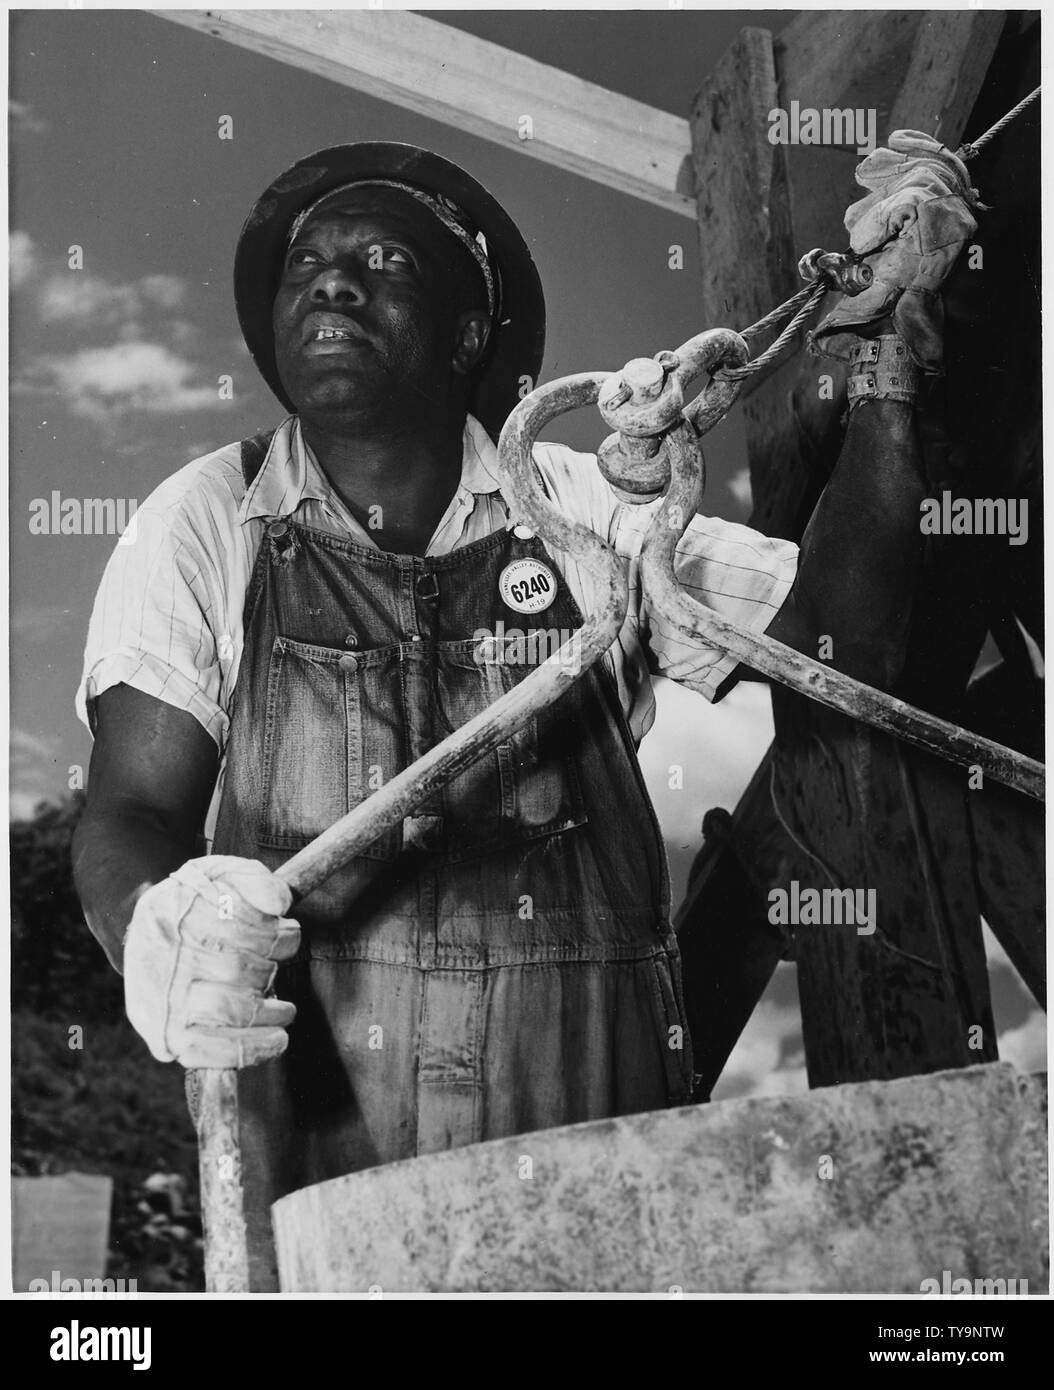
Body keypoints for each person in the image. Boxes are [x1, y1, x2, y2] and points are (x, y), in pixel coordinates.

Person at [72, 138, 976, 1289]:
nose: (331, 280)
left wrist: (882, 349)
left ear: (464, 337)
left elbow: (847, 640)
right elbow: (129, 810)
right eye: (308, 259)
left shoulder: (594, 510)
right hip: (318, 1203)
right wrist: (158, 925)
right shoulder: (204, 521)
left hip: (597, 1169)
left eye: (382, 259)